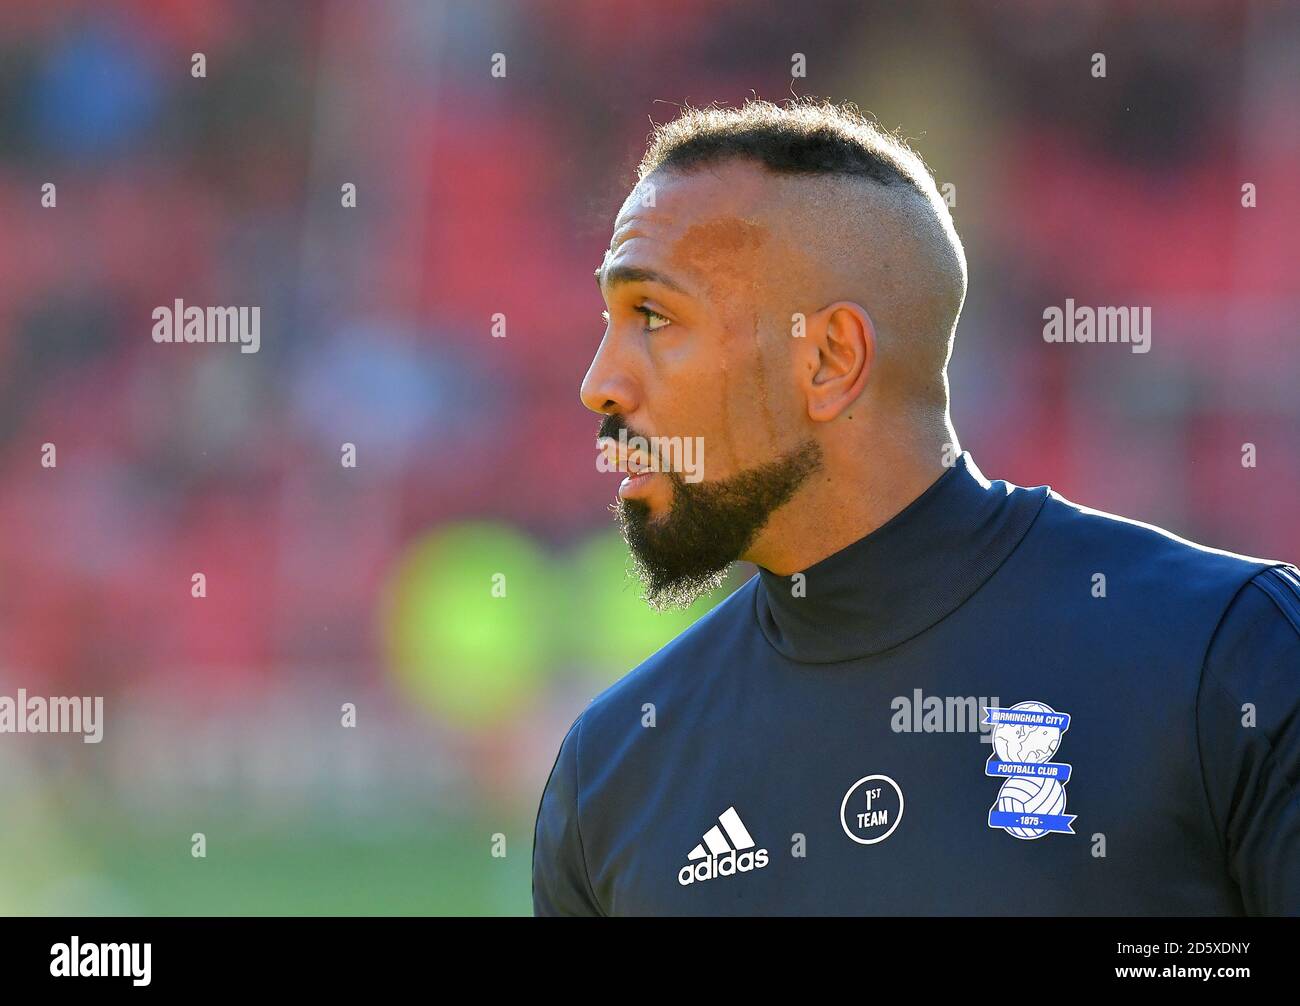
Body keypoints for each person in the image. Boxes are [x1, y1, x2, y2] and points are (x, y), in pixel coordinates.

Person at [532, 98, 1300, 915]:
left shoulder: (1230, 656)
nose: (598, 384)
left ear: (830, 359)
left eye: (652, 316)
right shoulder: (613, 770)